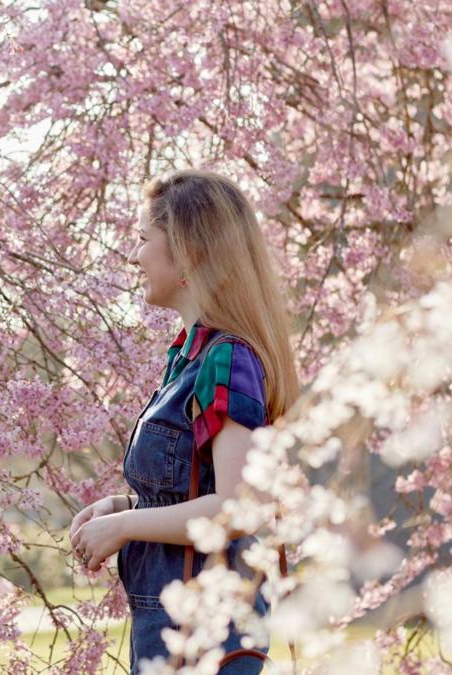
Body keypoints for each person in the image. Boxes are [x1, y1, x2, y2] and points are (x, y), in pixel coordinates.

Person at [68, 170, 299, 674]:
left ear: (187, 253)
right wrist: (122, 506)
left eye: (144, 239)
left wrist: (125, 525)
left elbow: (235, 509)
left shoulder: (226, 359)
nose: (135, 257)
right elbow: (198, 488)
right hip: (171, 631)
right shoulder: (189, 360)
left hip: (207, 641)